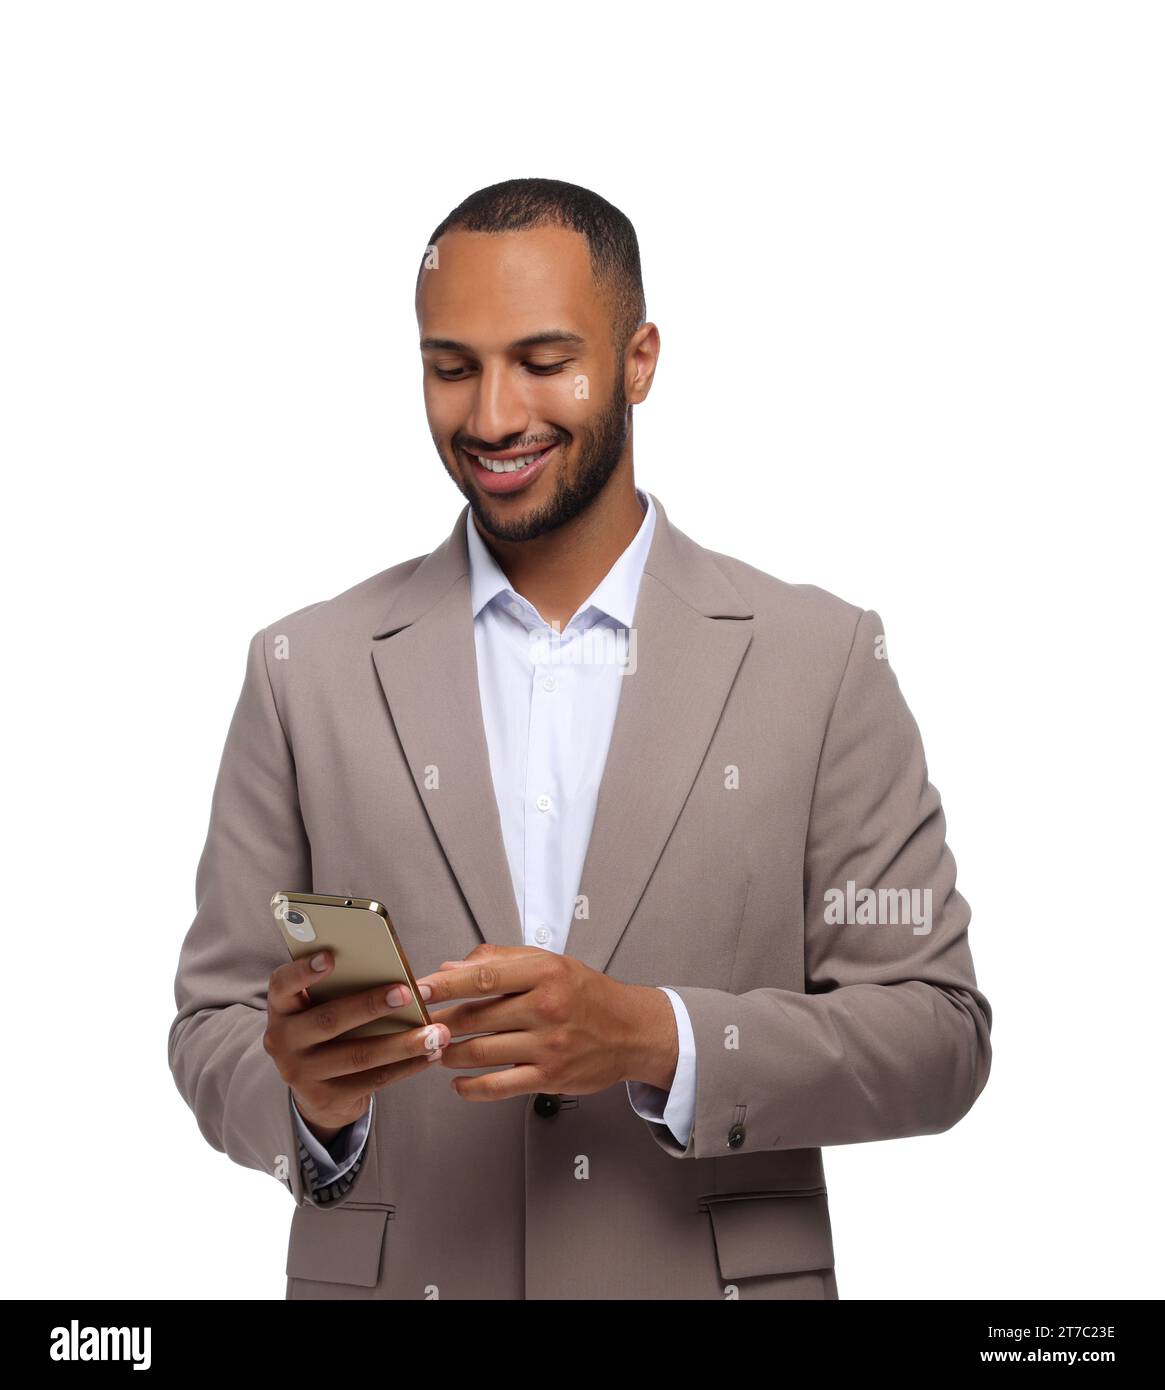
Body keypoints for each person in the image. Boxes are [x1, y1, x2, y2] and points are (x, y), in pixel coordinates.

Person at [168, 177, 992, 1300]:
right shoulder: (300, 667)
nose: (493, 415)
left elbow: (938, 1038)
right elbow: (213, 1023)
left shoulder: (823, 657)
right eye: (450, 366)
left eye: (545, 360)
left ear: (640, 359)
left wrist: (658, 1037)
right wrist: (308, 1109)